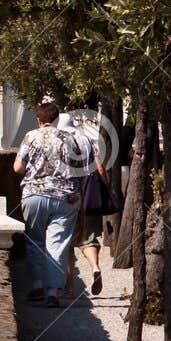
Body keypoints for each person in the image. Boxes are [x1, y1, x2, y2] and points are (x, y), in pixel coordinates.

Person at [15, 101, 78, 309]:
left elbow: (17, 167)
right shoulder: (69, 138)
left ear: (39, 119)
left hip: (34, 195)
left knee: (35, 241)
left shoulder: (30, 136)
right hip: (63, 197)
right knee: (57, 245)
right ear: (56, 119)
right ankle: (52, 292)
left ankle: (37, 285)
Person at [59, 112, 111, 299]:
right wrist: (105, 188)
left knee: (65, 243)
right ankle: (95, 267)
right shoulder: (86, 140)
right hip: (87, 197)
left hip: (66, 196)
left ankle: (70, 287)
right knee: (88, 238)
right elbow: (99, 168)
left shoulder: (59, 140)